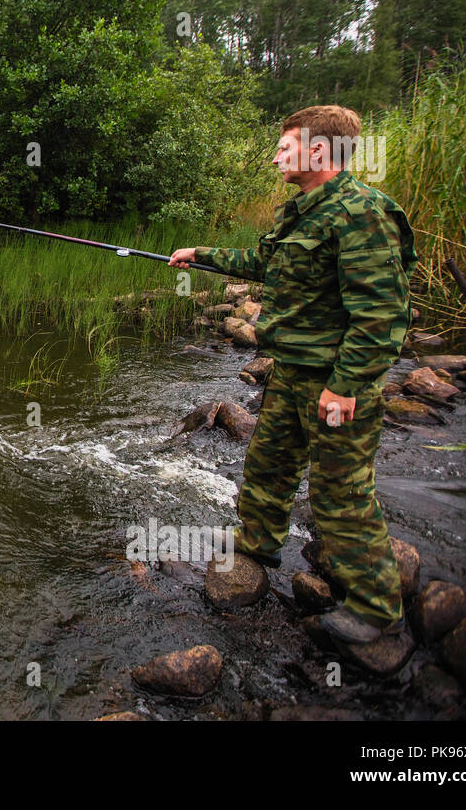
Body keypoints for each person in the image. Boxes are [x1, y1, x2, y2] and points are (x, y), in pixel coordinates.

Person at [168, 104, 416, 645]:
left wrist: (346, 386)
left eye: (286, 146)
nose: (277, 155)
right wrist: (200, 255)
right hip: (291, 370)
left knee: (339, 495)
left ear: (321, 151)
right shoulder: (300, 210)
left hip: (334, 379)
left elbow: (382, 314)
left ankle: (377, 610)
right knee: (269, 462)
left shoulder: (362, 212)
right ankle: (257, 543)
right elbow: (265, 264)